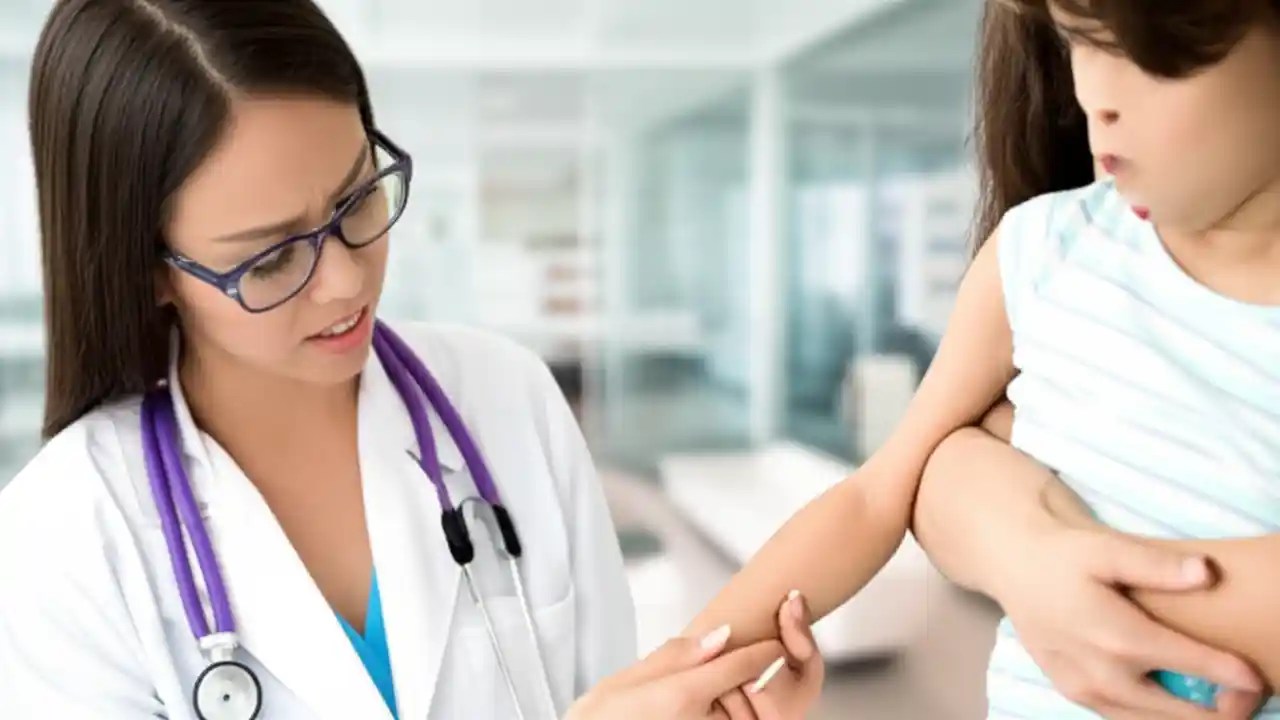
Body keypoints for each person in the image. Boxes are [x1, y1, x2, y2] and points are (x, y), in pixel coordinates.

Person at [0, 1, 821, 718]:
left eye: (358, 199)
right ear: (147, 271)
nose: (347, 281)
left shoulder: (507, 400)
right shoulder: (66, 539)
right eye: (271, 258)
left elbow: (610, 686)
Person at [675, 0, 1280, 717]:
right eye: (1078, 42)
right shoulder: (1047, 252)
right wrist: (689, 666)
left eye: (1146, 53)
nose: (1097, 97)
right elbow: (878, 493)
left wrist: (1063, 577)